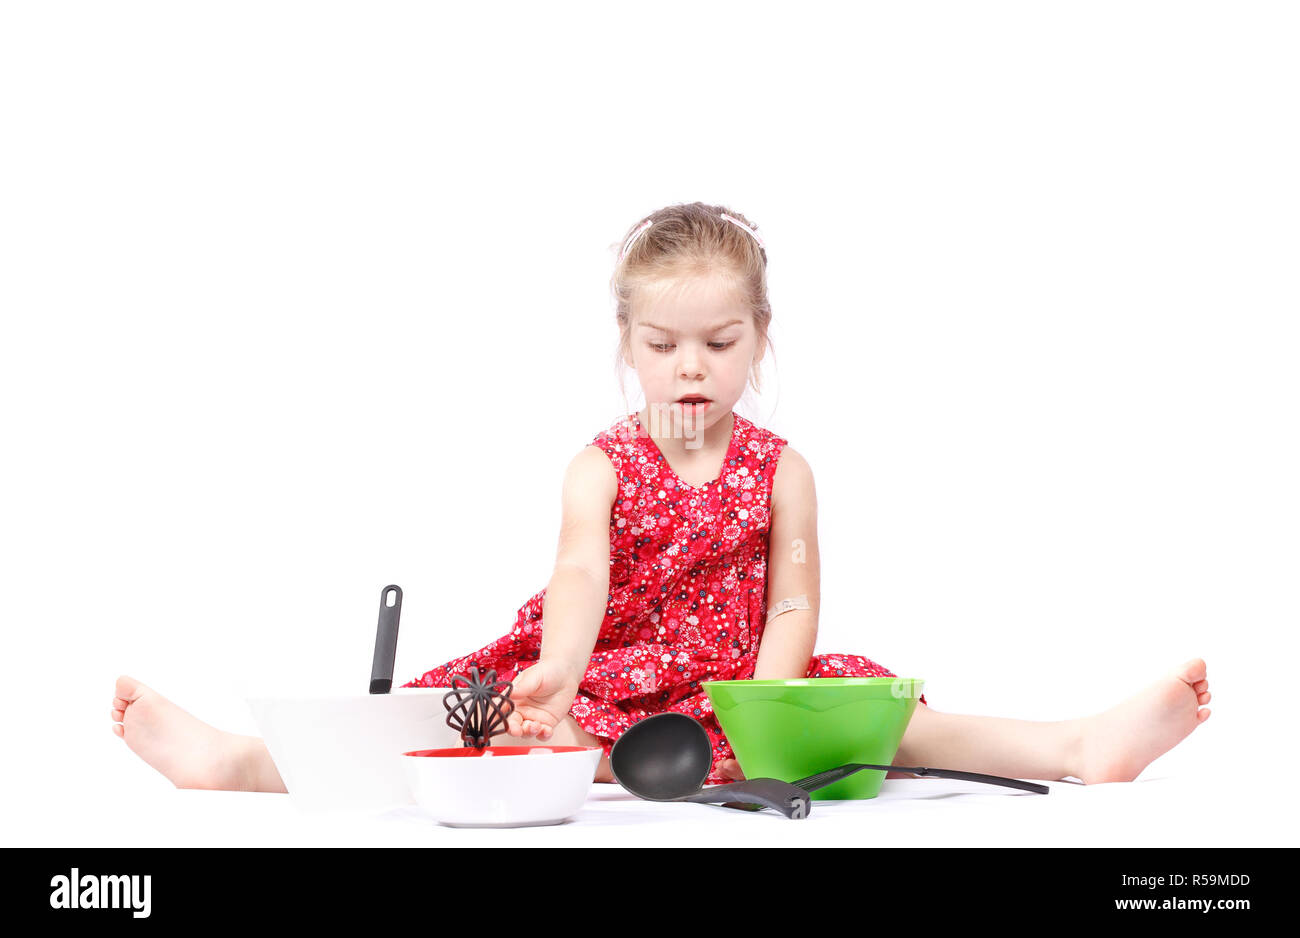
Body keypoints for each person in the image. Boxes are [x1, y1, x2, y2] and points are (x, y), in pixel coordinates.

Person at [111, 201, 1212, 793]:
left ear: (757, 341)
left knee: (881, 722)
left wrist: (765, 697)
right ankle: (245, 764)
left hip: (738, 677)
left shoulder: (782, 466)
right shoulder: (600, 462)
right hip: (600, 671)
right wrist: (558, 671)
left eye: (718, 342)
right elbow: (580, 572)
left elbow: (792, 599)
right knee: (468, 728)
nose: (692, 365)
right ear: (627, 346)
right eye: (663, 342)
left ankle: (1075, 745)